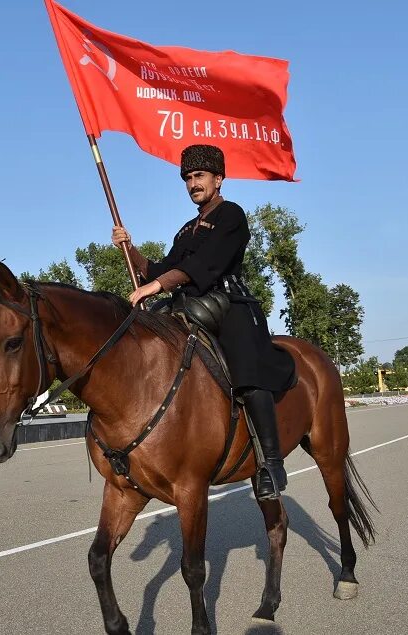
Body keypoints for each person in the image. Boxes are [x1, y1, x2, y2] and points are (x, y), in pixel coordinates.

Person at [111, 144, 295, 500]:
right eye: (188, 178)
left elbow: (209, 263)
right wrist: (129, 249)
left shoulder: (231, 215)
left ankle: (271, 462)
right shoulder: (184, 231)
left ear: (218, 179)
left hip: (229, 306)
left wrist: (158, 286)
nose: (193, 183)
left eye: (199, 176)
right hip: (187, 308)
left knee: (246, 369)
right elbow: (159, 270)